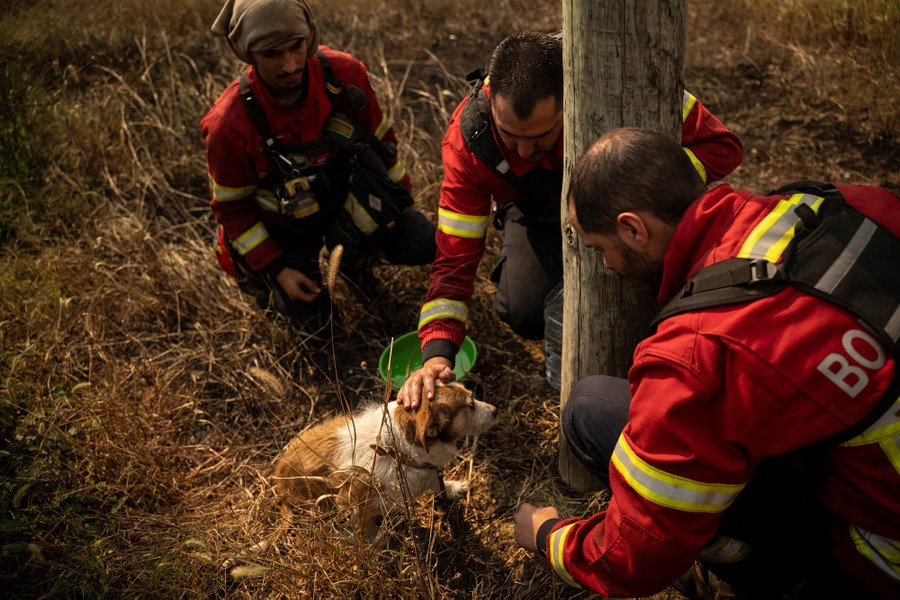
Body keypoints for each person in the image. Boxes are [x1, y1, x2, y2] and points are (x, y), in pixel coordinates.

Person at [514, 127, 900, 599]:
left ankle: (779, 581)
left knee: (591, 407)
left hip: (878, 555)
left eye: (600, 249)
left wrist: (546, 535)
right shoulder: (845, 205)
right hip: (870, 473)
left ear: (634, 229)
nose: (608, 265)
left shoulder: (699, 350)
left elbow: (633, 558)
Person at [397, 31, 744, 408]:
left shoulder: (622, 86)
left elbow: (722, 147)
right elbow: (454, 256)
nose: (525, 151)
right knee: (525, 311)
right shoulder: (470, 138)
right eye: (510, 138)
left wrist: (643, 187)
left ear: (572, 100)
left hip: (623, 205)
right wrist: (437, 352)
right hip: (538, 211)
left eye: (541, 136)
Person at [202, 0, 436, 329]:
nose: (289, 65)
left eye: (296, 47)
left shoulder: (344, 75)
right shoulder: (229, 123)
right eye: (271, 54)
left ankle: (355, 262)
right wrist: (277, 268)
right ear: (248, 53)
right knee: (318, 329)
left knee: (423, 239)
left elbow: (383, 147)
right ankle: (265, 286)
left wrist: (404, 203)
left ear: (309, 37)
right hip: (283, 232)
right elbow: (232, 210)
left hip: (342, 211)